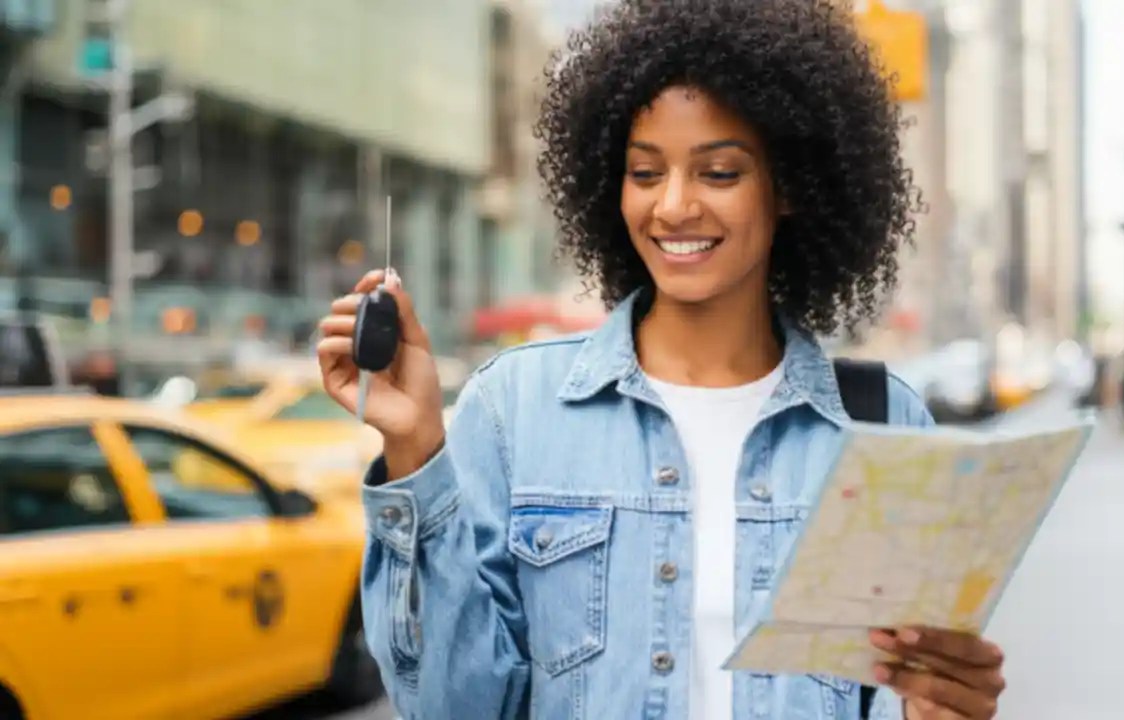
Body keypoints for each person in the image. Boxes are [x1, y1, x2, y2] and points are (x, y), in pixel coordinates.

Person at [317, 1, 1007, 718]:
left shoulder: (887, 424)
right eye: (645, 174)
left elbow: (910, 690)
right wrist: (415, 450)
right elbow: (452, 707)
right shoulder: (514, 409)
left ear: (792, 188)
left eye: (719, 173)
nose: (673, 207)